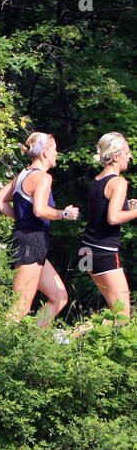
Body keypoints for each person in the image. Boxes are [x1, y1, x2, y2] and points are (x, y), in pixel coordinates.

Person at [0, 132, 78, 327]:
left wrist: (22, 218)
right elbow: (40, 210)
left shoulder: (22, 175)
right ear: (45, 152)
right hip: (31, 241)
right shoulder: (43, 178)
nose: (57, 153)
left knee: (59, 297)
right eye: (55, 149)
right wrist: (63, 214)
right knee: (20, 307)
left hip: (29, 240)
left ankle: (32, 346)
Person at [79, 132, 137, 320]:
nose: (130, 156)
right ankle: (67, 338)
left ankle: (67, 338)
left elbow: (102, 210)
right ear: (115, 156)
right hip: (104, 251)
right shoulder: (119, 182)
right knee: (122, 317)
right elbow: (113, 218)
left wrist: (128, 206)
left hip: (86, 250)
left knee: (114, 313)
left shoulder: (98, 180)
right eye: (127, 152)